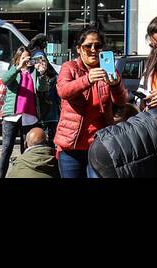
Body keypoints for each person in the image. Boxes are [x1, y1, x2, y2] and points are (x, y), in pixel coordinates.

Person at [54, 27, 129, 178]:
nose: (93, 50)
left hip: (100, 145)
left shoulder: (108, 70)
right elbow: (63, 91)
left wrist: (115, 84)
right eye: (88, 46)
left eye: (98, 46)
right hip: (71, 146)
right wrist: (87, 80)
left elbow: (121, 102)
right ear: (79, 49)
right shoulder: (69, 67)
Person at [0, 46, 58, 178]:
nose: (26, 61)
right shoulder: (13, 70)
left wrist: (42, 73)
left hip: (29, 117)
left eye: (28, 58)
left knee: (27, 150)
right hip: (11, 117)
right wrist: (18, 67)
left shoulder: (33, 72)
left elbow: (41, 89)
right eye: (24, 57)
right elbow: (5, 80)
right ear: (18, 58)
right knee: (6, 150)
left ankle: (25, 174)